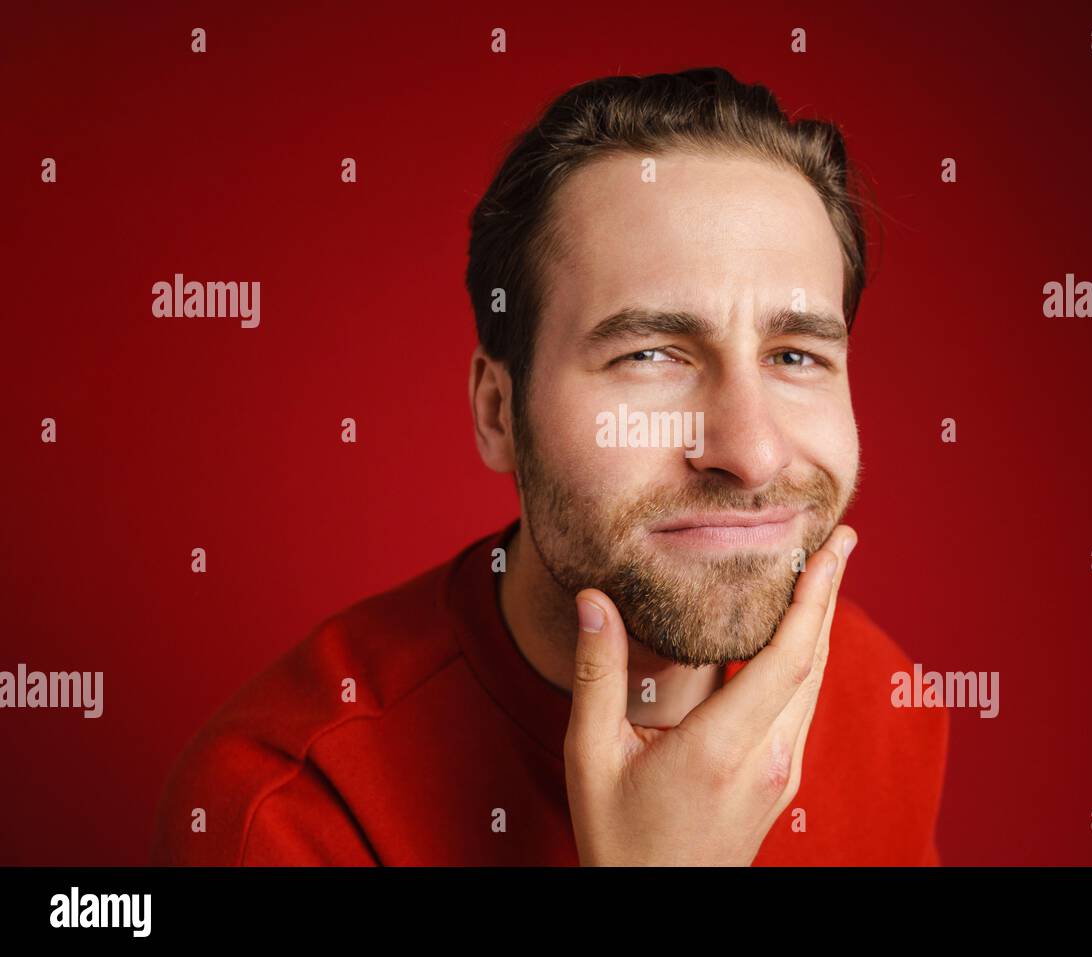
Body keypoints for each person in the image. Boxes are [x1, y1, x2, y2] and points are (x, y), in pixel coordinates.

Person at [150, 66, 948, 866]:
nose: (751, 450)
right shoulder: (281, 814)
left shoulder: (884, 698)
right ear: (499, 411)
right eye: (650, 353)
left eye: (796, 355)